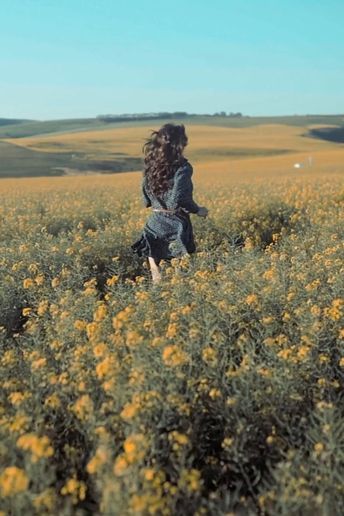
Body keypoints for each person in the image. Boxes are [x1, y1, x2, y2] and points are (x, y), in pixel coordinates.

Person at [131, 123, 208, 283]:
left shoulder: (152, 165)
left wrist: (152, 203)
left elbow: (145, 191)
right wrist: (197, 210)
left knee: (154, 258)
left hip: (155, 221)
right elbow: (179, 198)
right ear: (179, 143)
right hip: (175, 223)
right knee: (180, 270)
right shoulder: (183, 168)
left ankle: (156, 276)